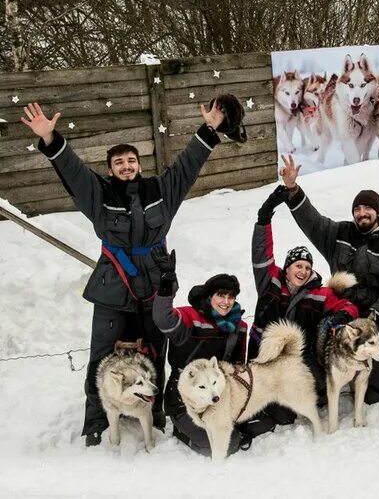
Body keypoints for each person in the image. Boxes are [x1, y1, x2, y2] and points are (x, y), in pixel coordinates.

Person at [20, 100, 227, 446]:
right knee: (102, 355)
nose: (126, 166)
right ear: (112, 169)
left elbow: (188, 166)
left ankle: (155, 411)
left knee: (155, 353)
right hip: (113, 287)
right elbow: (73, 171)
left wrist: (208, 130)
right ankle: (97, 421)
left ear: (139, 165)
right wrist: (51, 138)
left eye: (131, 161)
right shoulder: (99, 195)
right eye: (119, 163)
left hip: (154, 286)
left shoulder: (161, 191)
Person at [278, 155, 379, 404]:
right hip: (341, 310)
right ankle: (325, 382)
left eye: (367, 209)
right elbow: (312, 222)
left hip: (374, 313)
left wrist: (376, 314)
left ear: (378, 212)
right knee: (319, 334)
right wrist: (292, 189)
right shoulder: (340, 234)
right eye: (357, 209)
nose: (362, 213)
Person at [150, 252, 274, 458]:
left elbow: (236, 366)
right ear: (209, 297)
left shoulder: (239, 327)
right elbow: (163, 319)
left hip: (219, 396)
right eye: (221, 295)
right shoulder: (190, 317)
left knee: (261, 423)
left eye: (230, 297)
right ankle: (181, 432)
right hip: (184, 399)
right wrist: (165, 287)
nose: (226, 301)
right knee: (227, 445)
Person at [252, 185, 360, 405]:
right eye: (298, 266)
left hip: (300, 357)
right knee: (275, 407)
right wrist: (264, 218)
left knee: (316, 394)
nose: (302, 271)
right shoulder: (270, 281)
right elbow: (261, 252)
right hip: (265, 355)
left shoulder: (318, 294)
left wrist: (343, 316)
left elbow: (348, 306)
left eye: (307, 268)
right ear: (287, 268)